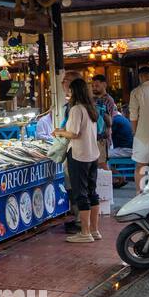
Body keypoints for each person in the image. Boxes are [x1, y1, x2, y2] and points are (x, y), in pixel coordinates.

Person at [55, 77, 101, 243]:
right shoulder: (91, 108)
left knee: (80, 193)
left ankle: (85, 232)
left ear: (75, 92)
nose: (68, 93)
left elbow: (74, 133)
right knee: (92, 192)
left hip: (79, 155)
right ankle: (94, 230)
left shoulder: (76, 109)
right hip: (92, 154)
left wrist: (59, 132)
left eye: (70, 90)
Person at [90, 74, 119, 165]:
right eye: (93, 86)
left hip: (103, 137)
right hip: (94, 136)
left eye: (97, 86)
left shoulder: (108, 100)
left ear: (104, 85)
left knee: (102, 164)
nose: (94, 88)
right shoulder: (93, 99)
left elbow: (110, 121)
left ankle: (112, 178)